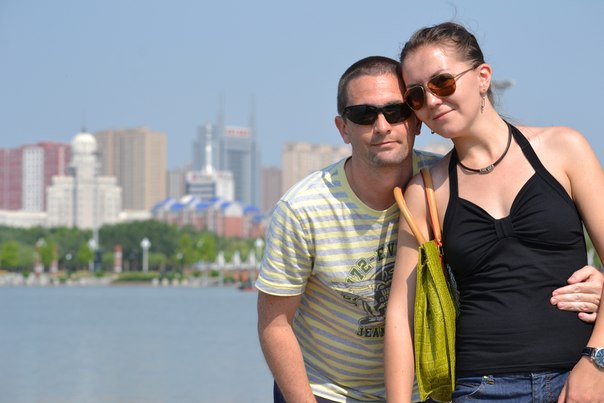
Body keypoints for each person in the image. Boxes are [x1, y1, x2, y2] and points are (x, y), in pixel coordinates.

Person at [256, 55, 602, 403]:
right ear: (343, 128)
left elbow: (508, 263)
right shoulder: (302, 210)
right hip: (328, 391)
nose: (382, 126)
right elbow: (274, 324)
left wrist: (596, 286)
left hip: (429, 389)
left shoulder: (441, 184)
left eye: (396, 111)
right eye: (363, 115)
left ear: (416, 121)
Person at [384, 22, 604, 402]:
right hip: (480, 389)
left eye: (442, 82)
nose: (432, 100)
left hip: (581, 378)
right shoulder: (426, 191)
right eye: (416, 96)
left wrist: (596, 361)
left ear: (483, 77)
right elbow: (401, 318)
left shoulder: (564, 149)